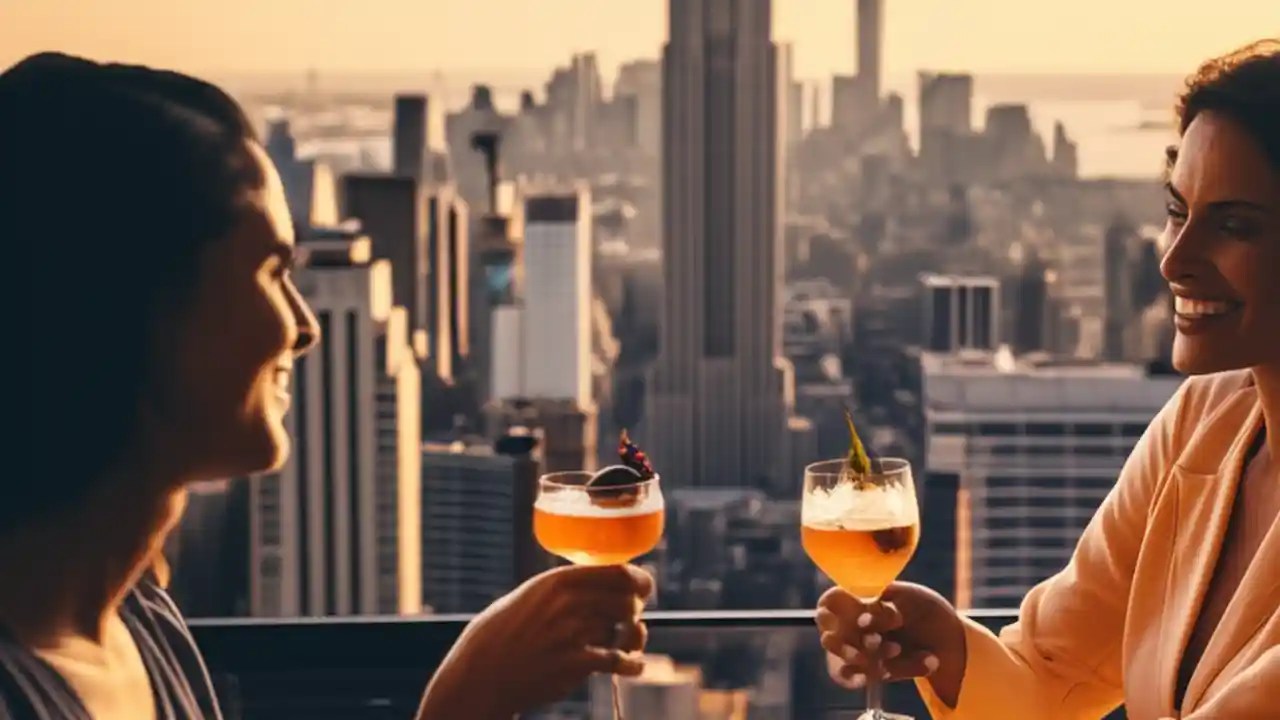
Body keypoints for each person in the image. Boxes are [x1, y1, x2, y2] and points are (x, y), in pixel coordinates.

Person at [0, 52, 651, 720]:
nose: (306, 326)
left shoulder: (141, 624)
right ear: (133, 301)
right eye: (272, 272)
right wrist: (468, 697)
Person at [816, 39, 1280, 719]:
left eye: (1235, 226)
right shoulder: (1204, 421)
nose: (1174, 261)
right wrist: (949, 649)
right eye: (1177, 213)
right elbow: (1053, 677)